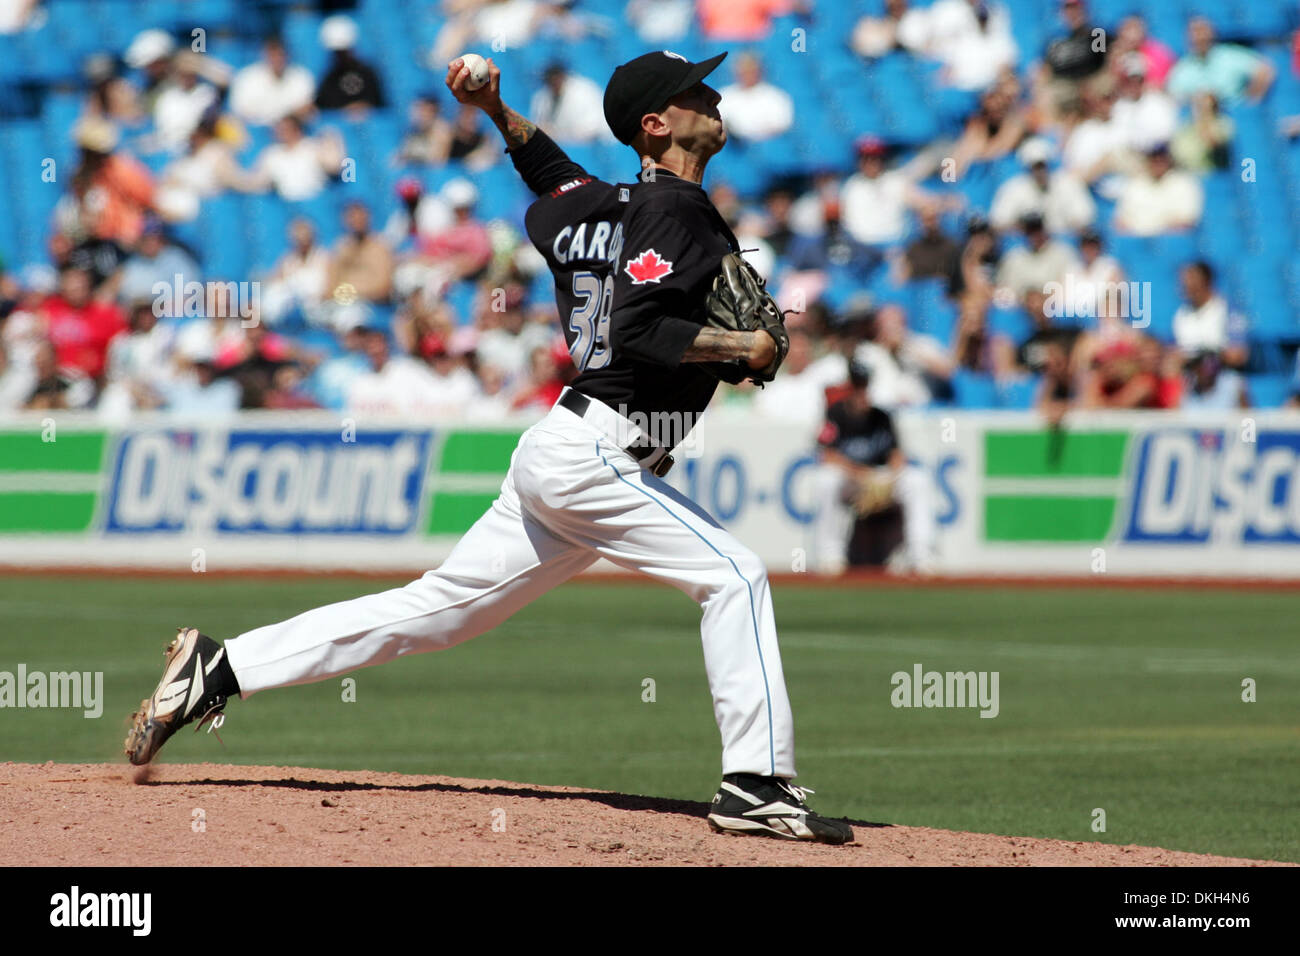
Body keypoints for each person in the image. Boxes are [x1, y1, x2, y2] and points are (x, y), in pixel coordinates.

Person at [124, 50, 851, 846]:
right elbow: (639, 329)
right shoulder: (674, 212)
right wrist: (738, 347)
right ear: (655, 123)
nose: (714, 98)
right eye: (694, 92)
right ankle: (756, 784)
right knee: (735, 575)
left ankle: (222, 668)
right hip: (598, 453)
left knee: (434, 611)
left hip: (570, 450)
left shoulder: (603, 206)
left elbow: (550, 174)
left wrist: (493, 108)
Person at [813, 359, 935, 574]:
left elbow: (897, 456)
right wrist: (863, 475)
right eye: (858, 386)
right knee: (826, 480)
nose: (862, 391)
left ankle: (921, 556)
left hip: (880, 480)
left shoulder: (881, 417)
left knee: (917, 480)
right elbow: (827, 456)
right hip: (853, 481)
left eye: (865, 385)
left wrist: (886, 477)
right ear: (849, 388)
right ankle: (830, 557)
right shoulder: (835, 414)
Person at [229, 36, 316, 127]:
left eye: (280, 54)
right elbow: (241, 111)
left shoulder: (302, 76)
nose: (277, 59)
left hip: (292, 131)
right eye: (272, 55)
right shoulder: (245, 77)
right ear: (264, 54)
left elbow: (305, 110)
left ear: (287, 55)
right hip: (256, 130)